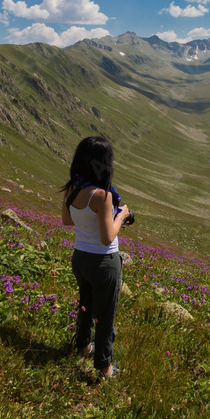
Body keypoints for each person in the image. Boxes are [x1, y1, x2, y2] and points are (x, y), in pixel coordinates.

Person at [60, 135, 131, 380]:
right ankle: (105, 368)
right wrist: (121, 215)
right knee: (106, 316)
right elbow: (107, 237)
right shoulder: (103, 195)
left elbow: (67, 220)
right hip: (104, 262)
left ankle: (83, 347)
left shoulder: (72, 187)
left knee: (86, 307)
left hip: (80, 258)